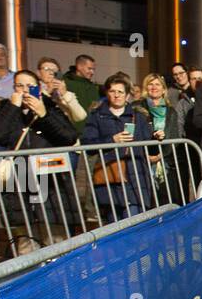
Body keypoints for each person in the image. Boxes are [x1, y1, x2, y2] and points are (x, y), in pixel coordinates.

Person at [0, 68, 81, 247]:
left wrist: (43, 114)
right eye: (19, 86)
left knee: (56, 246)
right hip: (18, 186)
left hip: (50, 186)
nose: (24, 90)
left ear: (38, 88)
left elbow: (69, 137)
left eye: (29, 86)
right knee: (25, 245)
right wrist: (12, 107)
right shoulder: (9, 111)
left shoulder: (52, 108)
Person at [81, 73, 154, 220]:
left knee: (134, 222)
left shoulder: (138, 116)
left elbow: (150, 148)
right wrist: (112, 140)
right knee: (114, 225)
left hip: (136, 179)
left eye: (120, 92)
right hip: (109, 179)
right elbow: (87, 143)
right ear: (107, 93)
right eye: (112, 91)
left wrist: (156, 138)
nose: (116, 95)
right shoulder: (97, 116)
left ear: (127, 96)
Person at [133, 72, 188, 201]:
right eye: (150, 84)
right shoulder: (136, 107)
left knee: (164, 197)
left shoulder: (171, 112)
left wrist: (159, 156)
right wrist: (145, 155)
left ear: (163, 89)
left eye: (157, 84)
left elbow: (174, 135)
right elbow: (131, 133)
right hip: (141, 158)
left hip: (164, 161)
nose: (154, 87)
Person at [63, 54, 99, 128]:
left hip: (88, 130)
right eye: (89, 68)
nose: (92, 72)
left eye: (93, 69)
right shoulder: (64, 83)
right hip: (68, 128)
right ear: (79, 67)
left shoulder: (92, 87)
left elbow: (95, 108)